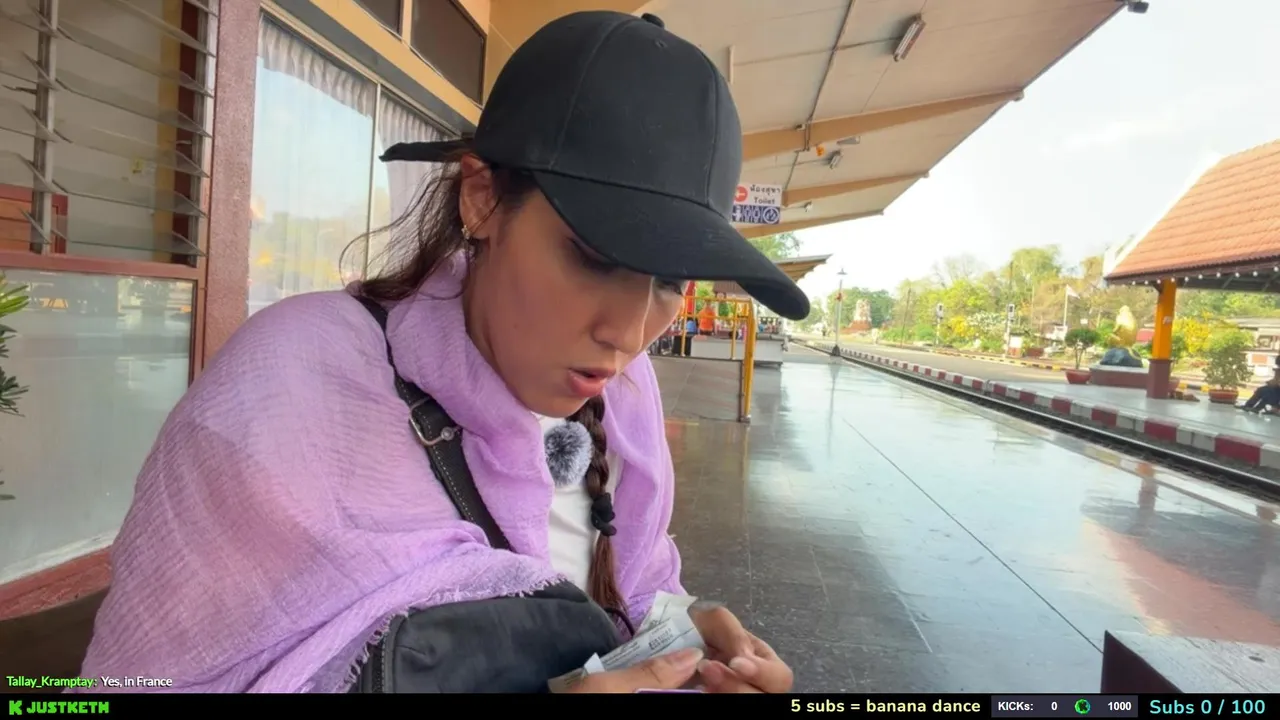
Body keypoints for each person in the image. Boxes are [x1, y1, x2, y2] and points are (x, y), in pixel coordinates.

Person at [74, 11, 806, 694]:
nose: (628, 332)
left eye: (671, 279)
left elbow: (630, 594)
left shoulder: (629, 398)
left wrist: (685, 637)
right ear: (481, 198)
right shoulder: (286, 388)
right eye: (596, 255)